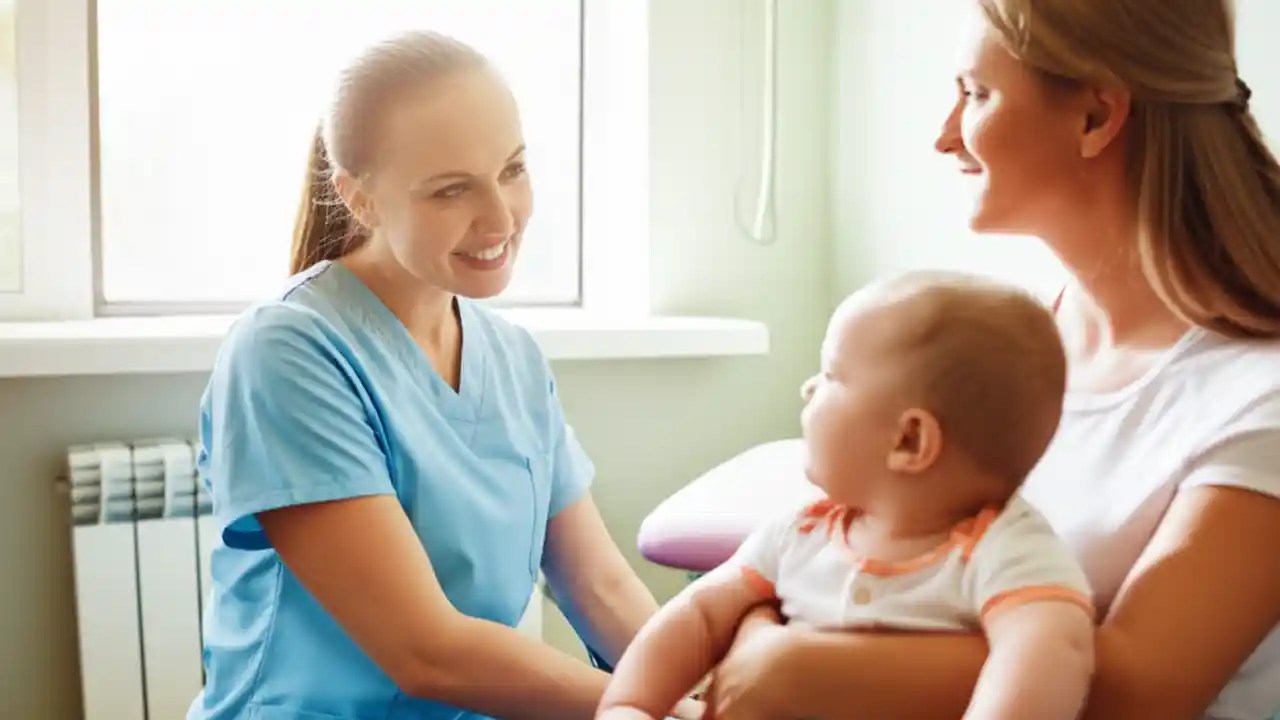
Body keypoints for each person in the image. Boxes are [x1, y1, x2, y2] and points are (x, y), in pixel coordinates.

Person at [699, 1, 1280, 719]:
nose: (945, 136)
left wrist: (796, 665)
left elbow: (1139, 690)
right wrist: (757, 624)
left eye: (975, 94)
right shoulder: (1003, 358)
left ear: (1096, 118)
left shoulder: (1259, 402)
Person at [187, 31, 702, 720]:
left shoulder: (512, 358)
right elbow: (427, 652)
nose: (500, 217)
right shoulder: (287, 353)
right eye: (451, 190)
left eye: (513, 170)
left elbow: (600, 587)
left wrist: (703, 691)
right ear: (359, 198)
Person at [599, 272, 1095, 720]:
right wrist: (632, 705)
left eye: (831, 376)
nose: (807, 389)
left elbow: (1047, 653)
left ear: (909, 441)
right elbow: (700, 616)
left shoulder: (1006, 551)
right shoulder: (800, 532)